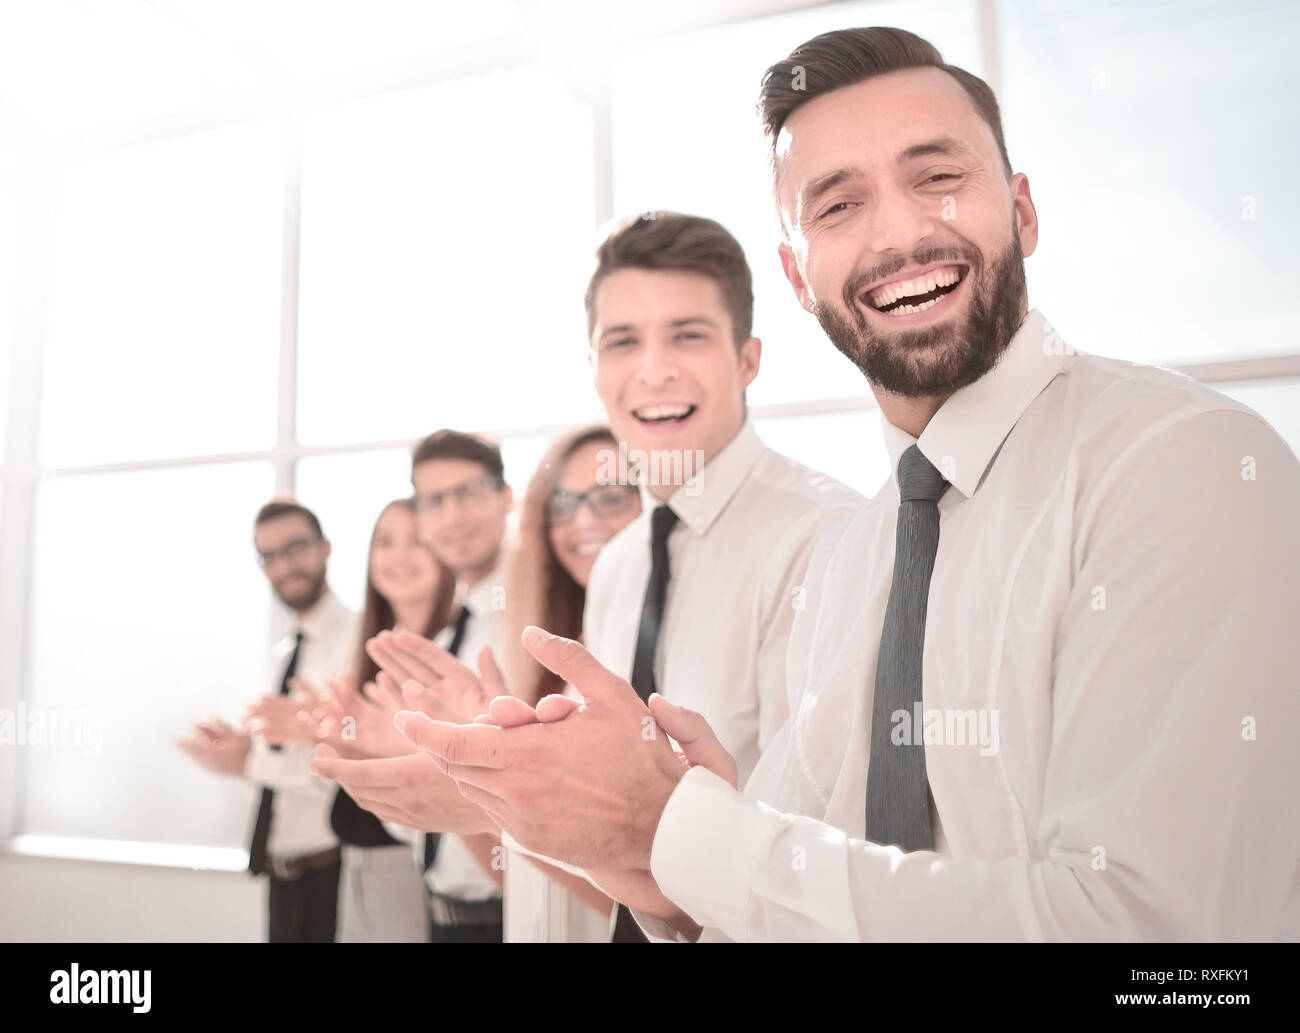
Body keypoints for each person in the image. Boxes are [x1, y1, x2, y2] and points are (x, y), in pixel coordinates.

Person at [398, 26, 1300, 942]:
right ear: (798, 275)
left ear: (1023, 211)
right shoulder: (856, 560)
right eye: (837, 206)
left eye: (937, 176)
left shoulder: (1183, 466)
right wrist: (643, 835)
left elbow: (1168, 949)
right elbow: (794, 887)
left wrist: (685, 828)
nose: (901, 233)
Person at [179, 499, 358, 943]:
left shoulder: (356, 640)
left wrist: (248, 763)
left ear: (326, 547)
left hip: (333, 877)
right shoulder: (283, 653)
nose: (284, 565)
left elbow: (339, 776)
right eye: (269, 556)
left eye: (295, 547)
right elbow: (280, 773)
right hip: (282, 878)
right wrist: (240, 755)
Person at [498, 424, 643, 941]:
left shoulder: (656, 653)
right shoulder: (555, 643)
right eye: (562, 504)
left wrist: (508, 817)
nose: (583, 521)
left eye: (609, 497)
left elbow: (675, 903)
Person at [308, 498, 454, 942]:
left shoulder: (453, 650)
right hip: (357, 862)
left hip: (414, 866)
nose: (398, 557)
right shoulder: (368, 648)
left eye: (417, 541)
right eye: (384, 542)